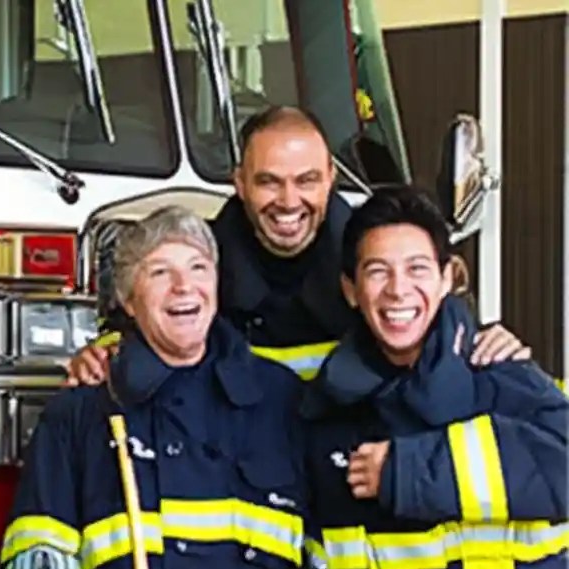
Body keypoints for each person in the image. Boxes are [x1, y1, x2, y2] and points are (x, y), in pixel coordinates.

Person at [0, 206, 326, 569]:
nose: (184, 287)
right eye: (160, 272)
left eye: (198, 268)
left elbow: (329, 554)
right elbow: (41, 550)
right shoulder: (82, 414)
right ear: (128, 299)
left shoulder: (283, 401)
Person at [300, 186, 567, 569]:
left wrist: (410, 472)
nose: (399, 290)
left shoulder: (505, 379)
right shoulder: (326, 420)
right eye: (378, 272)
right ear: (351, 290)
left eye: (418, 269)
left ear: (448, 278)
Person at [67, 106, 528, 385]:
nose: (289, 202)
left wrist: (486, 337)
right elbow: (141, 329)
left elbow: (430, 313)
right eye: (270, 182)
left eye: (307, 180)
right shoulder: (199, 270)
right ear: (240, 184)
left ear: (331, 177)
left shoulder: (372, 258)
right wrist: (104, 354)